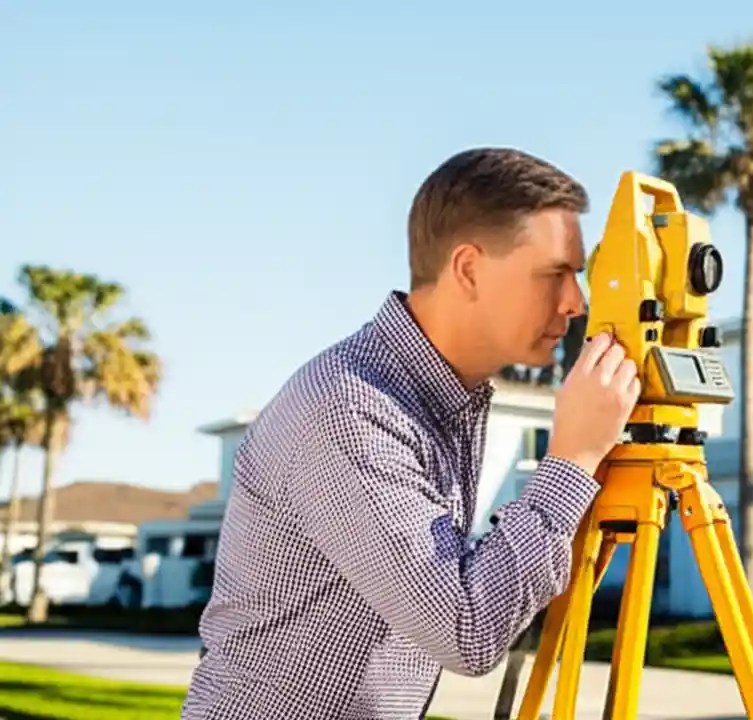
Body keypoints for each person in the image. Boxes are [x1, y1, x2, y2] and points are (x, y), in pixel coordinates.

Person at [181, 147, 640, 719]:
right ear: (468, 268)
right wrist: (571, 461)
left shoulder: (445, 398)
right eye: (555, 274)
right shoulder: (350, 409)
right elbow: (463, 629)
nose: (576, 303)